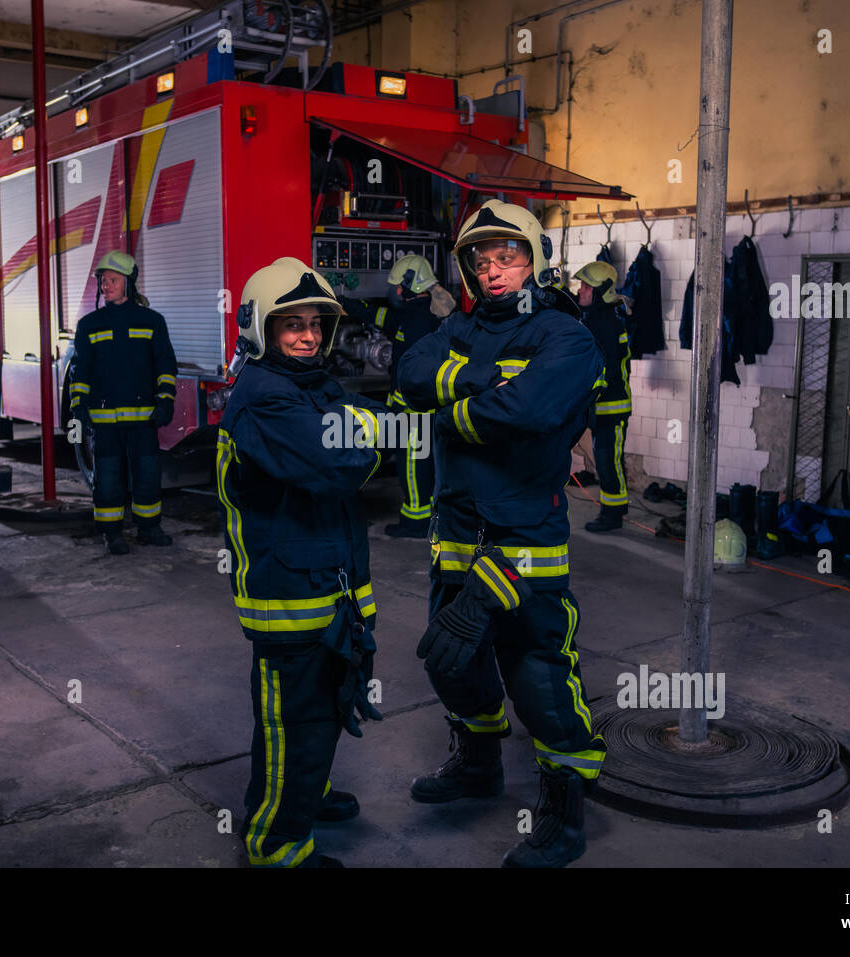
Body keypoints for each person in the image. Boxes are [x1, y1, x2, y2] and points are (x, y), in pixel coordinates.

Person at [397, 200, 608, 868]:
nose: (493, 272)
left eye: (507, 257)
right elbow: (409, 378)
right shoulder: (458, 326)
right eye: (481, 260)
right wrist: (488, 384)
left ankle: (563, 817)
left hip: (525, 542)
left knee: (539, 678)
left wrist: (451, 407)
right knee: (450, 659)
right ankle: (477, 764)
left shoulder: (565, 335)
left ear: (535, 258)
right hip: (456, 532)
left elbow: (536, 409)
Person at [215, 256, 385, 868]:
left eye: (315, 323)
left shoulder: (308, 387)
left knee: (311, 713)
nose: (309, 335)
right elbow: (337, 464)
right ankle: (278, 845)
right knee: (297, 721)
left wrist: (361, 425)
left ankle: (294, 795)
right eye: (292, 324)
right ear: (262, 328)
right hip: (289, 596)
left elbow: (366, 433)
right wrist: (367, 427)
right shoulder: (265, 399)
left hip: (324, 587)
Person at [67, 250, 177, 555]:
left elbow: (165, 365)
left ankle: (149, 528)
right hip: (104, 422)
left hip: (144, 419)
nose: (106, 285)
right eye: (103, 280)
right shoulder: (89, 325)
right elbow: (80, 369)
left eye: (113, 280)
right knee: (108, 480)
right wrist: (79, 405)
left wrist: (165, 400)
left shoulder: (153, 321)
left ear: (129, 283)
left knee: (147, 477)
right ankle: (112, 534)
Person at [339, 253, 452, 538]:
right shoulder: (418, 314)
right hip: (412, 410)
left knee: (413, 468)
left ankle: (416, 522)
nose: (396, 291)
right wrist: (346, 302)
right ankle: (423, 517)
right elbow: (380, 317)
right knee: (416, 464)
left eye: (398, 286)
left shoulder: (420, 321)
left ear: (410, 286)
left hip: (415, 412)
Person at [574, 261, 633, 533]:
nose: (580, 290)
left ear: (601, 291)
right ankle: (614, 508)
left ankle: (612, 514)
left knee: (609, 461)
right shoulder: (594, 320)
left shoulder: (606, 323)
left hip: (612, 406)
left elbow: (603, 371)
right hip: (601, 407)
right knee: (605, 459)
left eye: (586, 285)